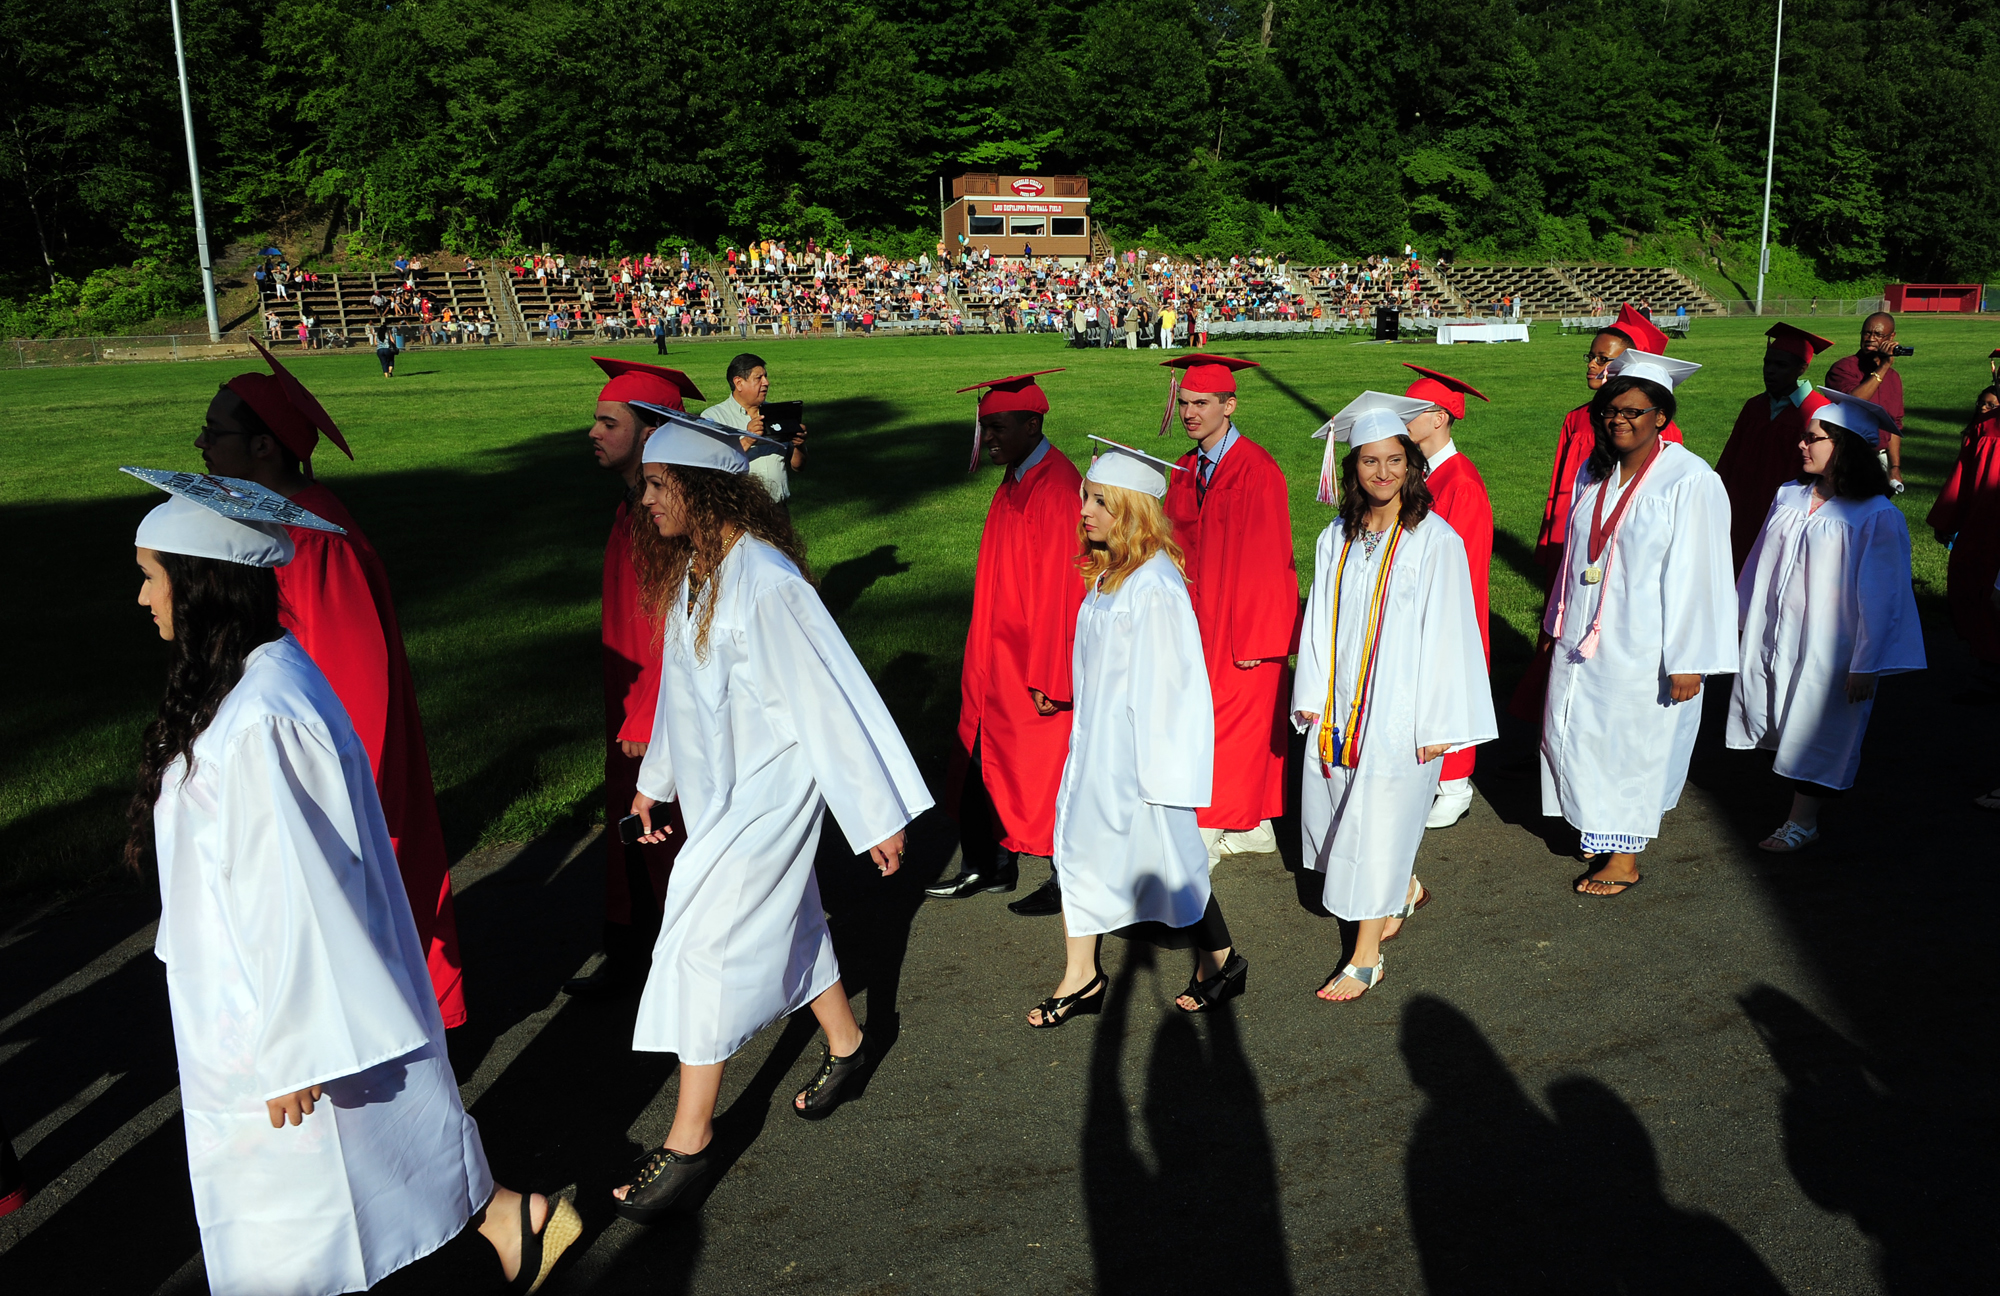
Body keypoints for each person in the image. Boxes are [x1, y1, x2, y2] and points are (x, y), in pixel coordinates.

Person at [120, 470, 578, 1296]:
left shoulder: (260, 714)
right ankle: (507, 1214)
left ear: (198, 585)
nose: (141, 597)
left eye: (151, 575)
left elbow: (293, 886)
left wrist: (297, 1044)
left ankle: (505, 1215)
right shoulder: (252, 684)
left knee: (303, 1219)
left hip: (274, 1017)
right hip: (244, 1001)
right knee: (369, 1151)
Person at [612, 413, 930, 1222]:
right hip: (723, 792)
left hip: (775, 789)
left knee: (703, 940)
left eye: (657, 484)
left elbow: (829, 701)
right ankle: (852, 1045)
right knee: (787, 921)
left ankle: (690, 1138)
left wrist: (875, 815)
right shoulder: (694, 573)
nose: (644, 500)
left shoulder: (767, 581)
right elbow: (683, 700)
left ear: (704, 486)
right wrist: (655, 782)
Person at [191, 341, 466, 1027]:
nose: (200, 444)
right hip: (299, 754)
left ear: (263, 447)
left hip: (341, 771)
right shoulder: (277, 520)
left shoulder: (315, 538)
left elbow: (357, 679)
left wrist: (346, 801)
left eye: (214, 431)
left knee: (372, 917)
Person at [1029, 437, 1244, 1027]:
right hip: (1096, 746)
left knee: (1172, 859)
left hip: (1138, 757)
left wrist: (1157, 773)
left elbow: (1173, 690)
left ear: (1133, 508)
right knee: (1077, 850)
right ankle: (1082, 975)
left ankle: (1221, 959)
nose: (1086, 511)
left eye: (1100, 501)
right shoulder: (1109, 576)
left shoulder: (1153, 588)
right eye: (1086, 499)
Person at [1294, 394, 1495, 1001]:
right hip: (1341, 701)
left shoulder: (1436, 541)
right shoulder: (1340, 535)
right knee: (1339, 810)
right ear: (1352, 468)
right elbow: (1318, 619)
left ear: (1412, 464)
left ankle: (1366, 955)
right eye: (1369, 462)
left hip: (1403, 710)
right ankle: (1403, 887)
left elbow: (1454, 631)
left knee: (1378, 822)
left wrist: (1439, 720)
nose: (1382, 473)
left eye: (1394, 460)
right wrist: (1311, 692)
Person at [1541, 351, 1736, 896]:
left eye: (1633, 410)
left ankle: (1624, 855)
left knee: (1632, 743)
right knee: (1578, 731)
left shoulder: (1690, 479)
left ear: (1660, 416)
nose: (1619, 420)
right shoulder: (1595, 470)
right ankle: (1599, 826)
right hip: (1586, 633)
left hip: (1646, 642)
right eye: (1610, 410)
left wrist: (1691, 660)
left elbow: (1703, 575)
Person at [1727, 388, 1925, 851]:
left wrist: (1867, 662)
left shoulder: (1876, 515)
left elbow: (1884, 597)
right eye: (1803, 436)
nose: (1802, 445)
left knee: (1823, 723)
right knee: (1778, 710)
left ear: (1845, 447)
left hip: (1833, 644)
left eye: (1813, 438)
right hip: (1777, 630)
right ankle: (1794, 799)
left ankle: (1804, 821)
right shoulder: (1789, 496)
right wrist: (1740, 620)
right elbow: (1758, 563)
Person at [562, 359, 698, 999]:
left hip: (658, 712)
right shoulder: (632, 505)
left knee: (667, 837)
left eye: (608, 422)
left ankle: (681, 976)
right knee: (637, 834)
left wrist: (645, 711)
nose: (593, 432)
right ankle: (637, 961)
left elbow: (677, 621)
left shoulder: (663, 516)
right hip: (632, 703)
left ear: (650, 435)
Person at [929, 372, 1086, 909]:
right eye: (985, 427)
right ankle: (989, 866)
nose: (988, 437)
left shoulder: (1057, 487)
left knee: (1040, 771)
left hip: (1030, 661)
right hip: (994, 654)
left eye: (997, 427)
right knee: (980, 760)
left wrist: (1051, 674)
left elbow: (1062, 593)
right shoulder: (1019, 477)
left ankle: (1066, 879)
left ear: (1032, 423)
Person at [1509, 306, 1685, 722]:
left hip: (1619, 553)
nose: (1592, 363)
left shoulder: (1660, 433)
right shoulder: (1577, 418)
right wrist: (1549, 545)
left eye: (1604, 359)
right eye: (1591, 355)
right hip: (1569, 543)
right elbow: (1559, 491)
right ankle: (1545, 725)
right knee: (1554, 636)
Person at [1160, 354, 1299, 866]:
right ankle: (1257, 826)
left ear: (1229, 405)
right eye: (1184, 403)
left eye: (1201, 403)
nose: (1189, 413)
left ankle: (1204, 834)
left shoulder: (1255, 469)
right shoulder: (1190, 466)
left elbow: (1270, 558)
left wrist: (1257, 642)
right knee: (1212, 722)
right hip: (1200, 617)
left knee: (1229, 727)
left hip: (1241, 626)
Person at [1397, 364, 1493, 828]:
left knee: (1449, 683)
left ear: (1438, 418)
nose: (1402, 420)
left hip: (1450, 605)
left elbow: (1465, 563)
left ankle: (1455, 785)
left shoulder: (1462, 483)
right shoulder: (1426, 473)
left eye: (1411, 412)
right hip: (1416, 597)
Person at [1716, 323, 1836, 574]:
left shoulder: (1819, 411)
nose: (1770, 371)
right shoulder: (1754, 406)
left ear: (1802, 368)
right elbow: (1729, 460)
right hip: (1742, 509)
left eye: (1780, 365)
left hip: (1788, 512)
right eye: (1767, 363)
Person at [1926, 381, 2000, 673]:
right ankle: (1989, 665)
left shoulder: (1987, 428)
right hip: (1983, 526)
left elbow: (1963, 476)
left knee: (1986, 592)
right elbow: (1963, 476)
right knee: (1979, 588)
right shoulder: (1986, 427)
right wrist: (1947, 519)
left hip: (1987, 526)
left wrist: (1948, 519)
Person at [700, 353, 807, 505]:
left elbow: (798, 466)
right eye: (759, 378)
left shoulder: (777, 413)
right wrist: (748, 439)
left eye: (766, 376)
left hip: (778, 512)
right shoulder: (714, 417)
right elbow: (712, 466)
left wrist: (799, 445)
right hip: (740, 513)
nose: (766, 382)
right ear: (738, 383)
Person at [1823, 313, 1906, 493]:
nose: (1870, 339)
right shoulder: (1844, 368)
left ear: (1891, 338)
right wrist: (1883, 367)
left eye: (1877, 335)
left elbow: (1894, 425)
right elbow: (1855, 401)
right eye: (1866, 333)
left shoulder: (1894, 378)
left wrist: (1895, 467)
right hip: (1847, 457)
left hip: (1879, 458)